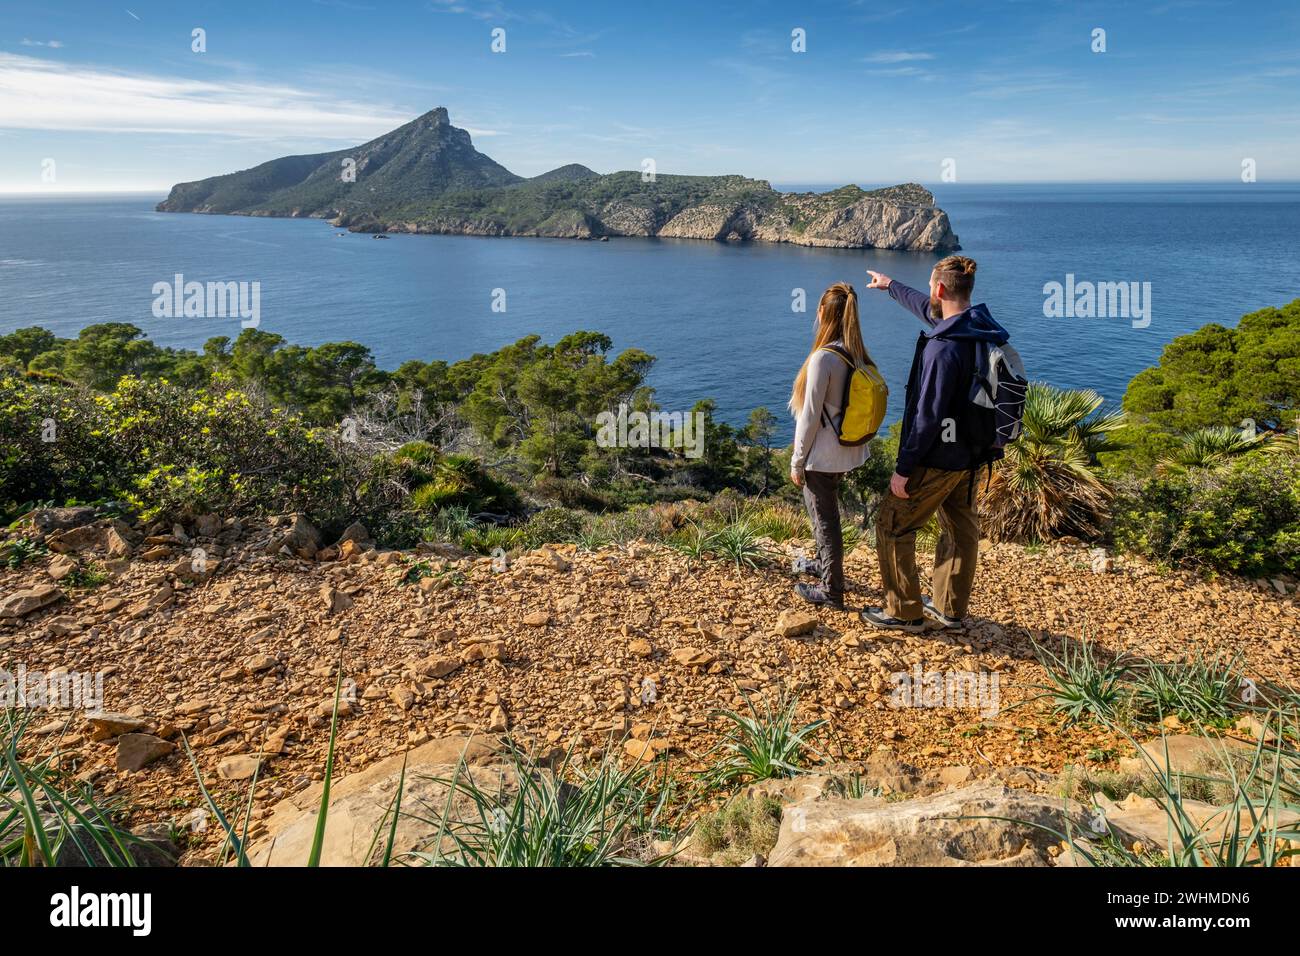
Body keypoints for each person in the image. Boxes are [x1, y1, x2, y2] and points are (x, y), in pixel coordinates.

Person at [860, 256, 1009, 632]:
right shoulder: (979, 329)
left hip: (939, 456)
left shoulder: (942, 350)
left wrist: (904, 469)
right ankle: (950, 609)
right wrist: (891, 285)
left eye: (930, 285)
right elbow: (926, 310)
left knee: (893, 525)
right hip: (974, 453)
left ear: (939, 289)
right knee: (961, 529)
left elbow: (926, 417)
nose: (928, 291)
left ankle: (903, 611)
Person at [788, 282, 873, 610]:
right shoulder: (856, 352)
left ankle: (831, 591)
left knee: (825, 522)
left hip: (820, 458)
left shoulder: (824, 357)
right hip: (844, 452)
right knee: (826, 517)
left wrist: (797, 460)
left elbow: (808, 416)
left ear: (823, 312)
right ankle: (827, 569)